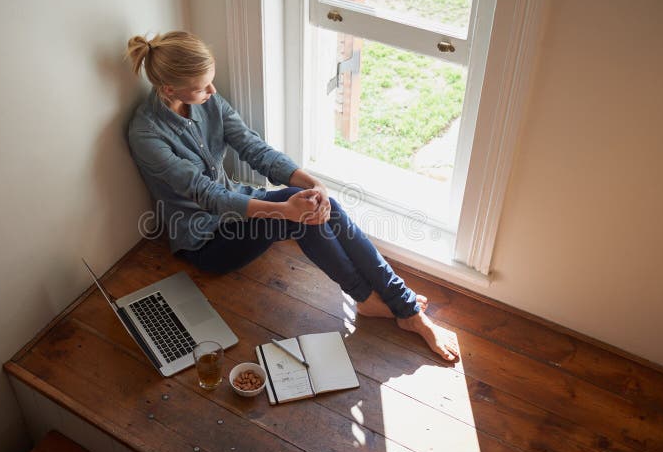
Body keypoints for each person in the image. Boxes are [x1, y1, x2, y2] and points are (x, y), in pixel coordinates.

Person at [125, 30, 459, 362]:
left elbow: (255, 149)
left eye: (210, 82)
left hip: (239, 209)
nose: (212, 91)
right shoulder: (146, 135)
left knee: (315, 204)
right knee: (303, 218)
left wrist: (314, 183)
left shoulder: (206, 101)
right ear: (169, 88)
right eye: (203, 86)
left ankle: (392, 299)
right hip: (207, 241)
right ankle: (385, 304)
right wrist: (285, 210)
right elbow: (208, 195)